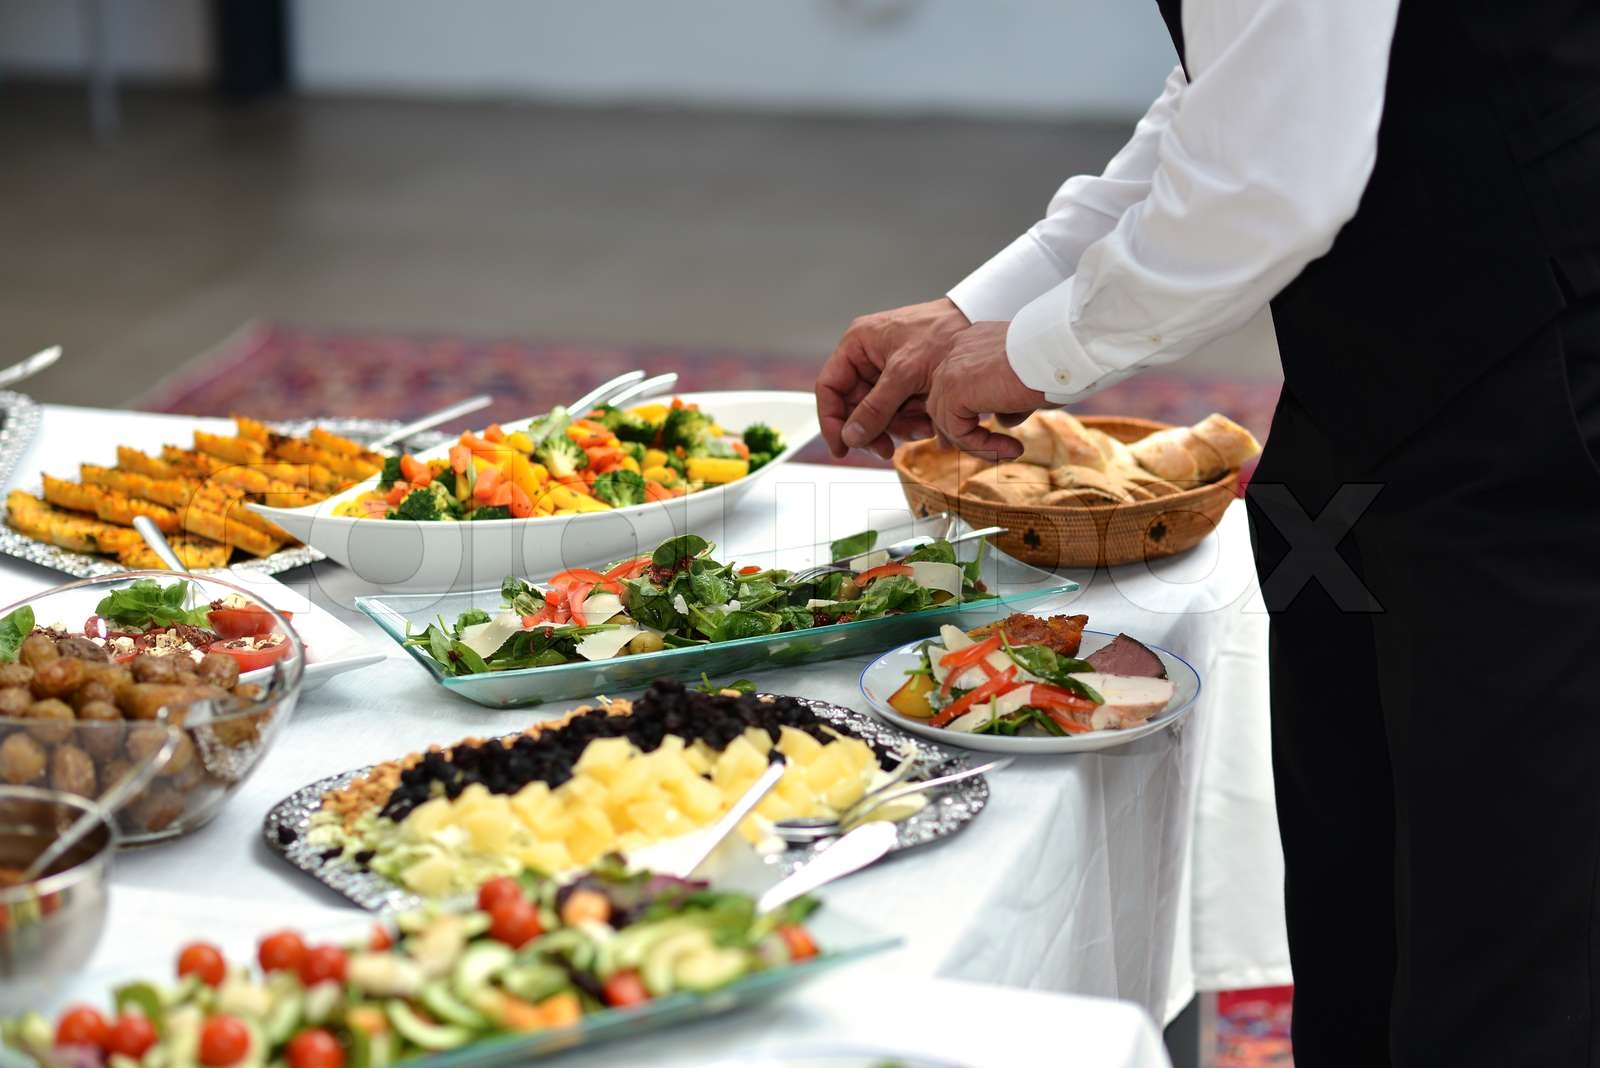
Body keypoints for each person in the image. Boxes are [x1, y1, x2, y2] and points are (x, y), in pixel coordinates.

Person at [814, 1, 1600, 1065]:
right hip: (1360, 409)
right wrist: (989, 305)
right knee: (1357, 914)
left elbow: (1275, 182)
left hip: (1544, 415)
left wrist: (1044, 343)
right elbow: (1231, 95)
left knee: (1508, 965)